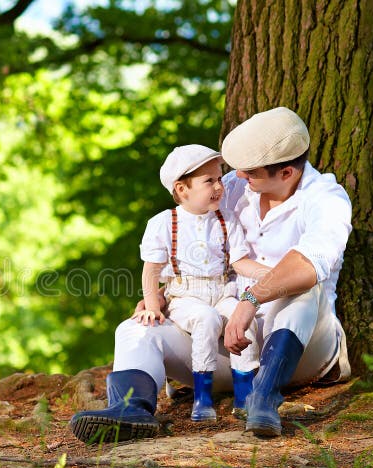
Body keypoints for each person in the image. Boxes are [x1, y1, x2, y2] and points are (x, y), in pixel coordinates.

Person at [69, 107, 352, 443]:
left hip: (300, 351)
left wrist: (250, 299)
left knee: (307, 288)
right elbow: (192, 241)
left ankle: (265, 397)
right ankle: (131, 409)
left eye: (250, 173)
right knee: (137, 328)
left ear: (287, 172)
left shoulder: (326, 199)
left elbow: (307, 265)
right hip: (224, 346)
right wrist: (160, 294)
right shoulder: (232, 187)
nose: (237, 178)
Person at [134, 144, 268, 422]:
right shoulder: (164, 223)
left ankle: (245, 396)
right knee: (206, 320)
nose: (219, 186)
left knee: (245, 318)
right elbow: (151, 270)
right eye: (209, 181)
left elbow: (240, 262)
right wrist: (151, 304)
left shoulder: (226, 220)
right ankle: (202, 399)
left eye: (219, 179)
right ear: (182, 190)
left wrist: (273, 273)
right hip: (186, 297)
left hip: (223, 291)